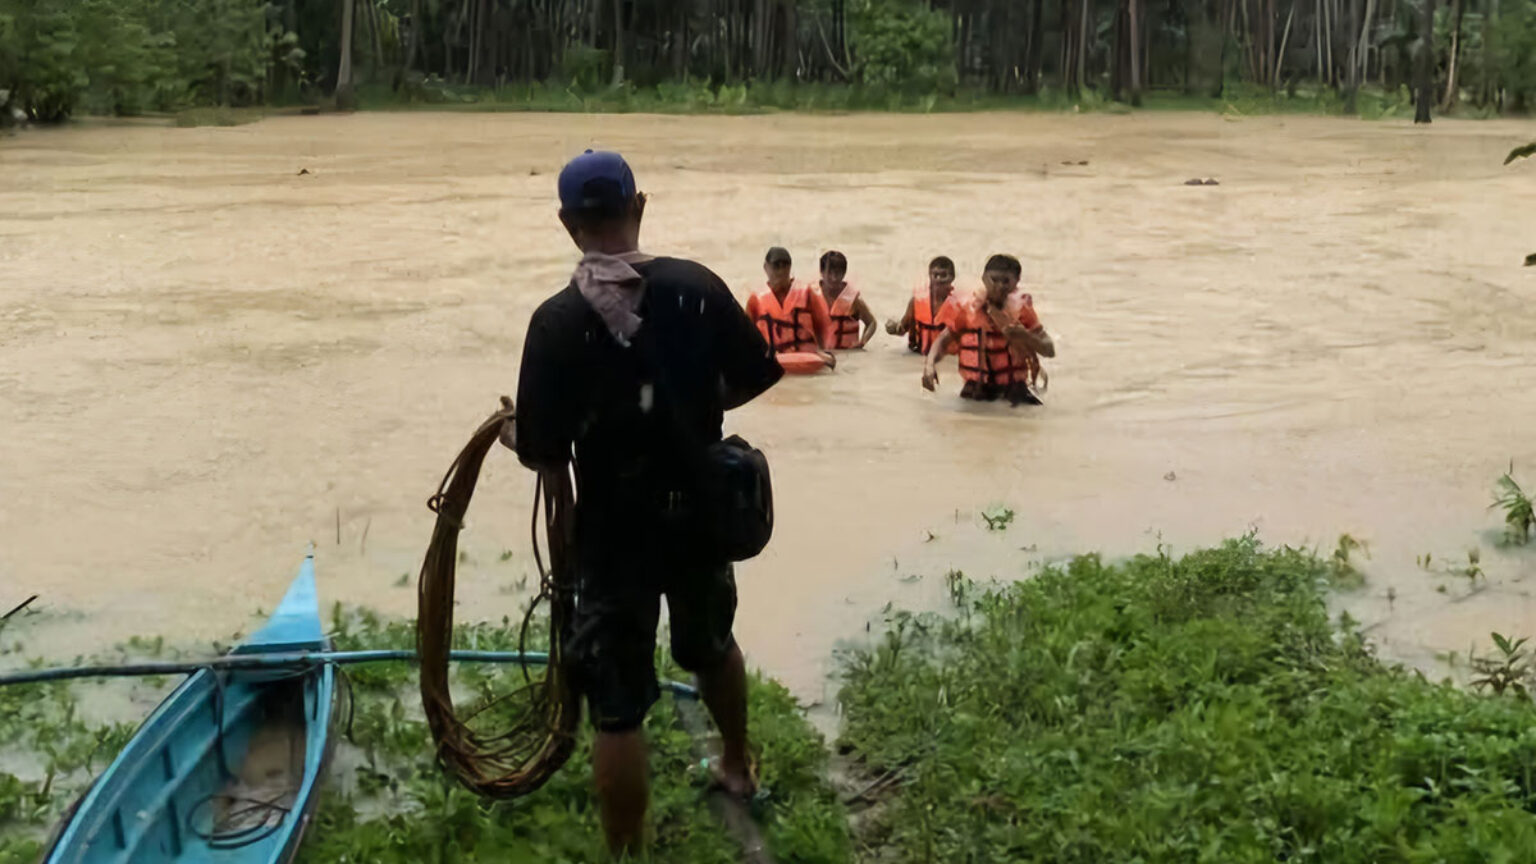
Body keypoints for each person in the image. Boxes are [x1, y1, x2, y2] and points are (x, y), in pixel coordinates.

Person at [513, 150, 782, 855]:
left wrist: (527, 427)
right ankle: (734, 766)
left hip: (610, 531)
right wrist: (692, 411)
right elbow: (759, 372)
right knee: (711, 643)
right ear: (639, 208)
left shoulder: (557, 324)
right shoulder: (696, 287)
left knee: (618, 705)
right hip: (699, 511)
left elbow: (545, 454)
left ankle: (626, 850)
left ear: (569, 225)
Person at [921, 254, 1055, 406]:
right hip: (975, 390)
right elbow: (943, 340)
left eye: (1006, 281)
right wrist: (929, 366)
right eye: (994, 280)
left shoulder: (1022, 310)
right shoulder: (967, 308)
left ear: (1016, 282)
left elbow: (1049, 350)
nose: (999, 287)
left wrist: (1026, 336)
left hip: (1014, 390)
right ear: (984, 278)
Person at [745, 247, 836, 369]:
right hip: (773, 361)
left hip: (807, 359)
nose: (781, 271)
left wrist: (822, 352)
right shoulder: (756, 299)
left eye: (785, 265)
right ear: (766, 268)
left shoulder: (807, 293)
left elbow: (824, 326)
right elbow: (746, 335)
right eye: (776, 266)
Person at [886, 256, 959, 356]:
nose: (938, 280)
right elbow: (902, 329)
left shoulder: (960, 306)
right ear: (929, 276)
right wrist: (893, 328)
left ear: (952, 278)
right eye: (935, 275)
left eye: (943, 276)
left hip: (948, 360)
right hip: (918, 356)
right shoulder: (916, 302)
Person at [816, 250, 877, 350]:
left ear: (844, 273)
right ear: (822, 272)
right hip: (821, 354)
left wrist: (863, 341)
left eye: (838, 273)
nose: (834, 278)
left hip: (848, 355)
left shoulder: (852, 299)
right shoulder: (811, 295)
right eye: (829, 273)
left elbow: (871, 323)